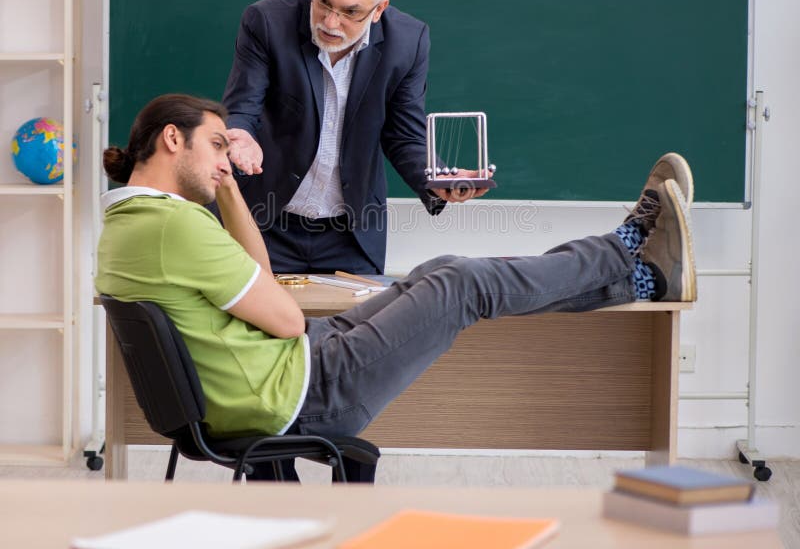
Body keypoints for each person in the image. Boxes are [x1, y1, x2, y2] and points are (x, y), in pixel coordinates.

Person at [96, 94, 697, 481]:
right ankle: (623, 249)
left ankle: (642, 275)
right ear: (173, 139)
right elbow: (282, 314)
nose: (227, 160)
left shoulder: (134, 222)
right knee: (461, 284)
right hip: (304, 391)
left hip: (283, 371)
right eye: (218, 146)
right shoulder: (173, 226)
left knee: (439, 269)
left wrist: (226, 189)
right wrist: (223, 192)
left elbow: (263, 282)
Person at [220, 0, 488, 275]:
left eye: (350, 12)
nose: (331, 23)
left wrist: (439, 179)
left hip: (351, 235)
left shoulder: (407, 42)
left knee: (353, 328)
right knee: (258, 326)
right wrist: (239, 135)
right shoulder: (267, 21)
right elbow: (242, 107)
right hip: (262, 222)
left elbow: (404, 136)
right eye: (323, 1)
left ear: (379, 9)